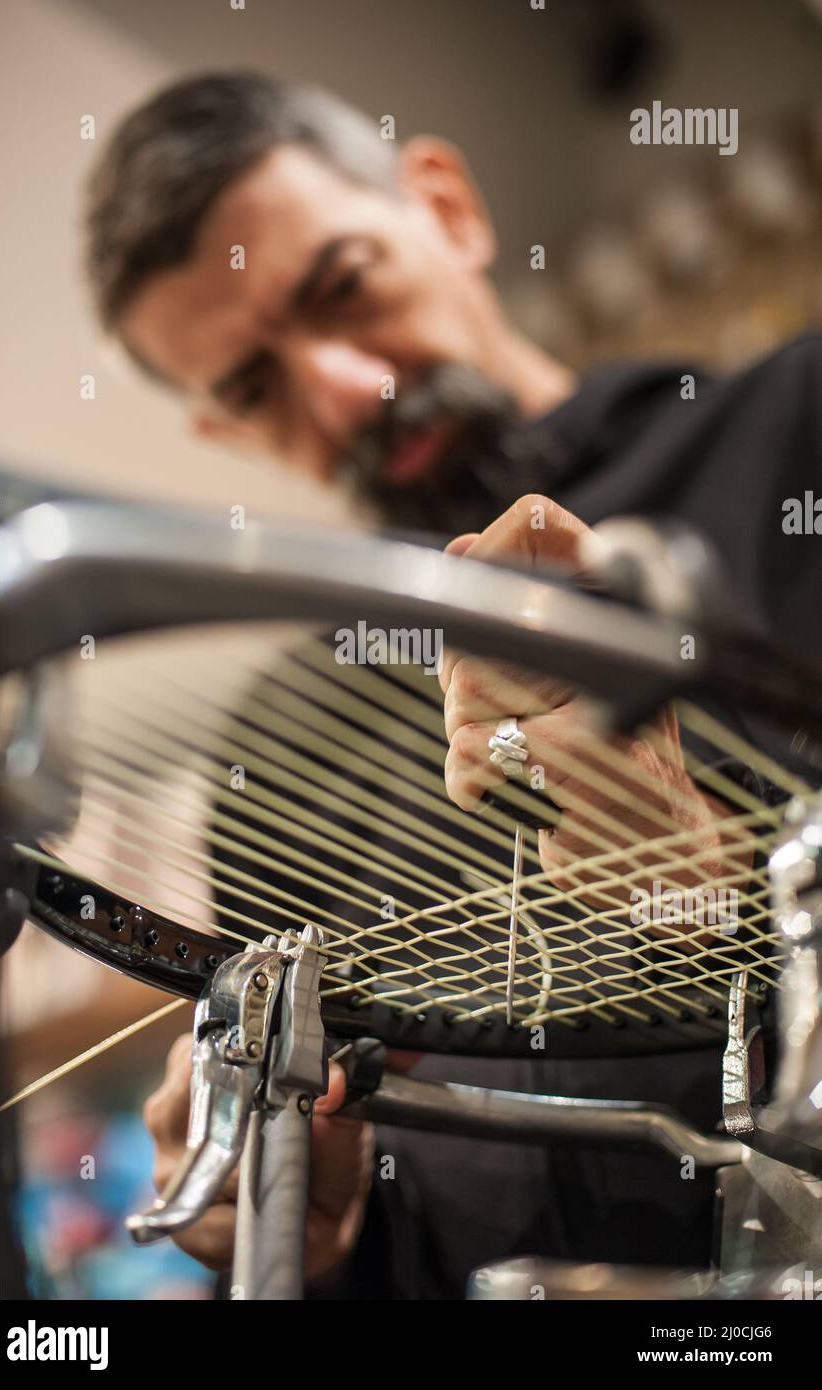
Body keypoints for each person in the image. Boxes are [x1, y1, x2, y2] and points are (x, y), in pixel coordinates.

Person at [85, 72, 822, 1298]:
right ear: (224, 432)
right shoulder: (277, 742)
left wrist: (719, 913)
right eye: (255, 386)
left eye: (342, 287)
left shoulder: (799, 430)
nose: (341, 387)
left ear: (447, 207)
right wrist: (317, 1234)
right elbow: (384, 1188)